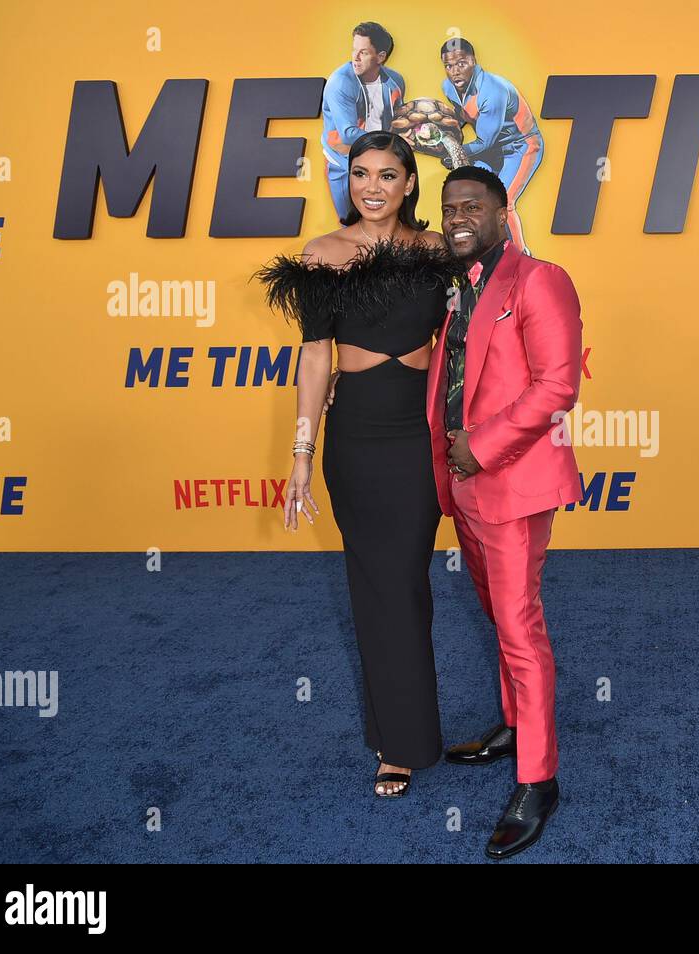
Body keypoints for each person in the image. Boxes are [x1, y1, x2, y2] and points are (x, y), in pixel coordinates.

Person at [254, 130, 464, 798]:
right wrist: (301, 453)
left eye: (388, 175)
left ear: (410, 184)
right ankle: (398, 743)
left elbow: (464, 339)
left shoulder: (435, 253)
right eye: (360, 174)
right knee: (380, 587)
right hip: (360, 437)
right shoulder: (324, 253)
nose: (372, 187)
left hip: (421, 431)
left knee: (408, 584)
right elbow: (316, 355)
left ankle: (405, 727)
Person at [430, 166, 582, 859]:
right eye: (449, 206)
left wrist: (480, 448)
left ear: (500, 213)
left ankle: (538, 778)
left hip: (512, 481)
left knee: (520, 625)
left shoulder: (539, 278)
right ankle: (517, 726)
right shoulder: (456, 287)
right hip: (462, 484)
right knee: (497, 615)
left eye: (472, 206)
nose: (459, 216)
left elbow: (558, 383)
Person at [439, 38, 544, 256]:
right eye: (448, 66)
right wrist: (439, 136)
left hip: (520, 146)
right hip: (491, 150)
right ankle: (489, 256)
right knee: (474, 198)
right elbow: (462, 117)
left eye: (461, 64)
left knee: (504, 201)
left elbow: (485, 141)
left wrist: (454, 150)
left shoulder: (493, 91)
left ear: (473, 61)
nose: (455, 71)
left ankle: (521, 257)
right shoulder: (448, 87)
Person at [321, 22, 408, 222]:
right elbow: (348, 134)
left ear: (381, 57)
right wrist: (391, 139)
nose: (355, 58)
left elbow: (399, 116)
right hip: (344, 160)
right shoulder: (340, 82)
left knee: (390, 221)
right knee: (349, 222)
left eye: (363, 52)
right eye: (354, 50)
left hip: (382, 157)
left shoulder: (395, 81)